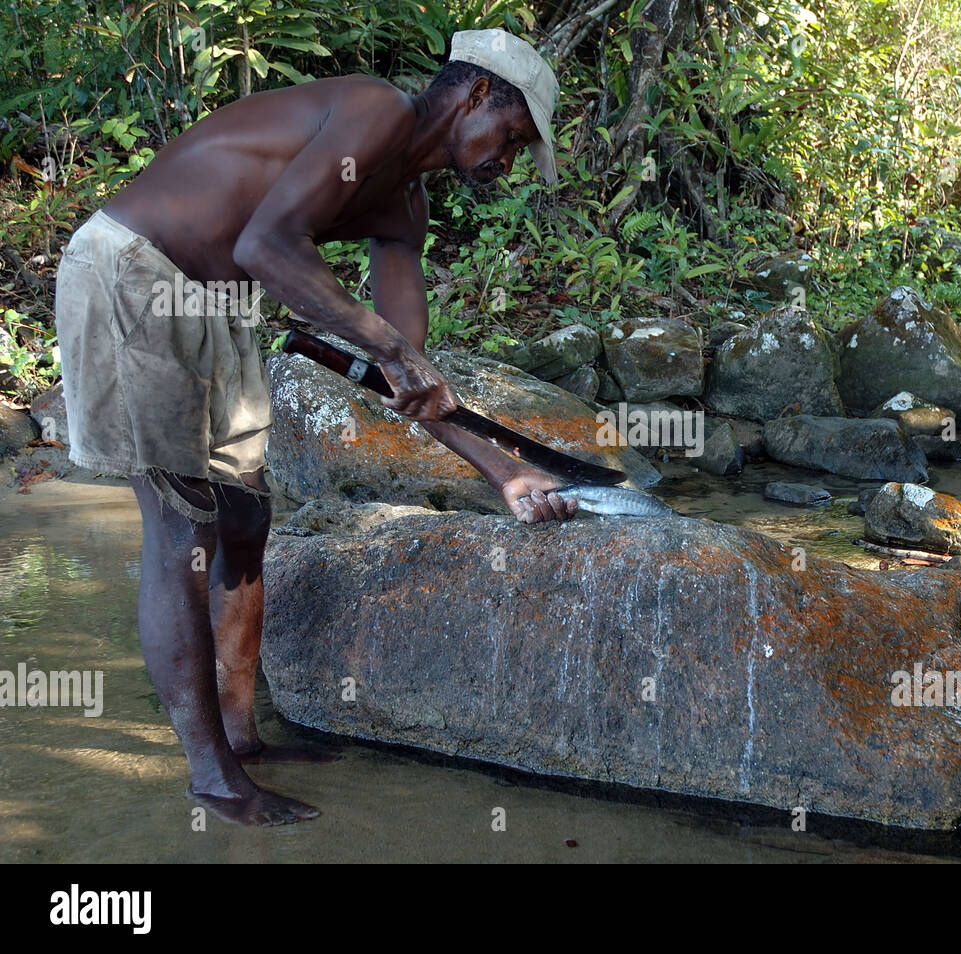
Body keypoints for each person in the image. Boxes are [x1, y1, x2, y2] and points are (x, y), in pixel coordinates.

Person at [53, 29, 577, 826]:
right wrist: (388, 346)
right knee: (180, 528)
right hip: (133, 271)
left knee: (247, 515)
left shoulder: (406, 210)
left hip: (219, 307)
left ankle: (241, 735)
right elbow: (265, 242)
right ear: (474, 95)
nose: (508, 160)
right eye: (511, 135)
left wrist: (503, 469)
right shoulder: (374, 110)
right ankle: (213, 779)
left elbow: (412, 381)